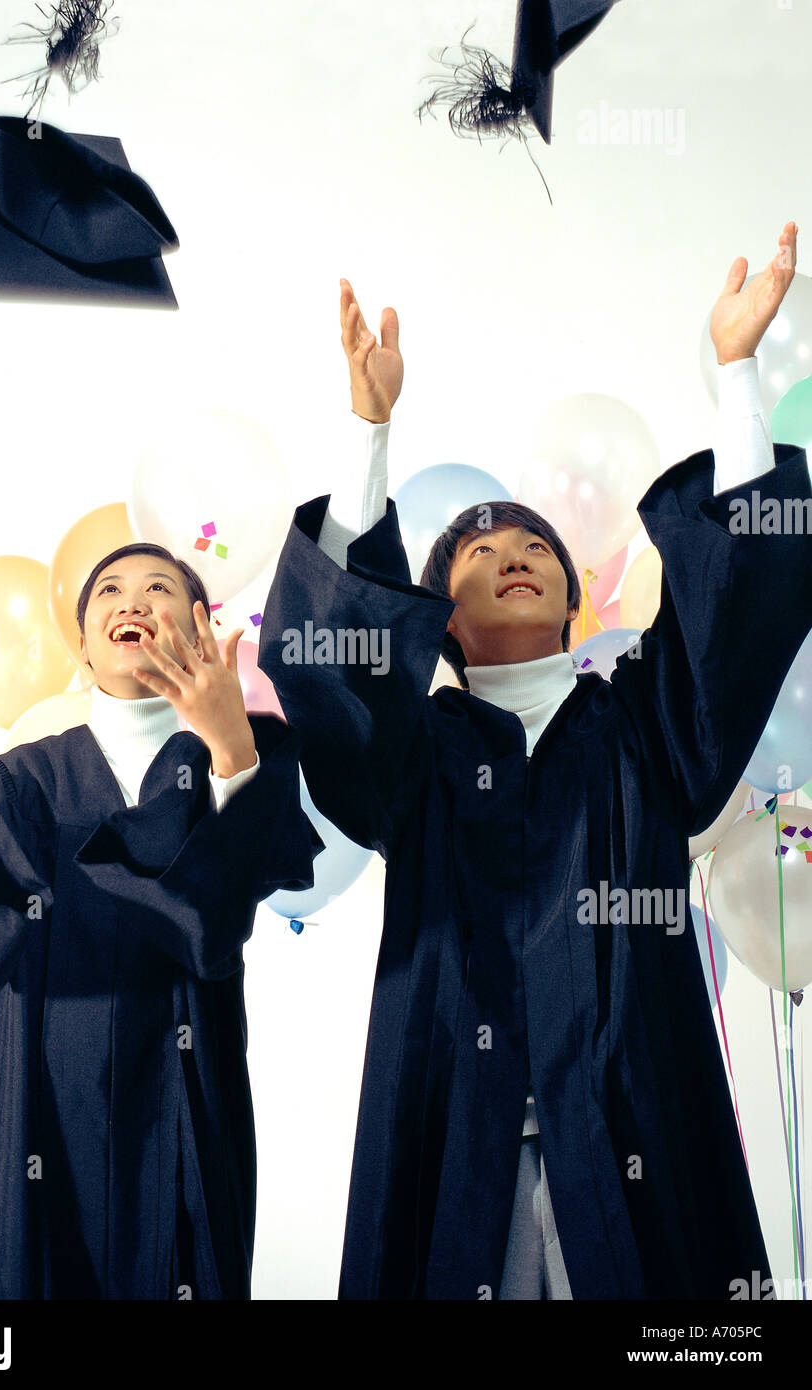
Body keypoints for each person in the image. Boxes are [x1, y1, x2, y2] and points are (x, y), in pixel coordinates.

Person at [258, 223, 812, 1299]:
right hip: (453, 1139)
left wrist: (736, 375)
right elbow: (339, 678)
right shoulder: (414, 752)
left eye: (534, 551)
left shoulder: (643, 724)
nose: (513, 557)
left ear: (572, 603)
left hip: (635, 1124)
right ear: (438, 616)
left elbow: (736, 608)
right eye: (479, 550)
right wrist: (368, 430)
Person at [0, 542, 322, 1300]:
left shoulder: (243, 753)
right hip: (39, 1080)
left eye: (159, 589)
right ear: (82, 644)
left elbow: (246, 886)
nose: (132, 601)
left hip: (184, 1073)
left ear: (202, 627)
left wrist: (227, 740)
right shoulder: (24, 777)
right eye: (108, 591)